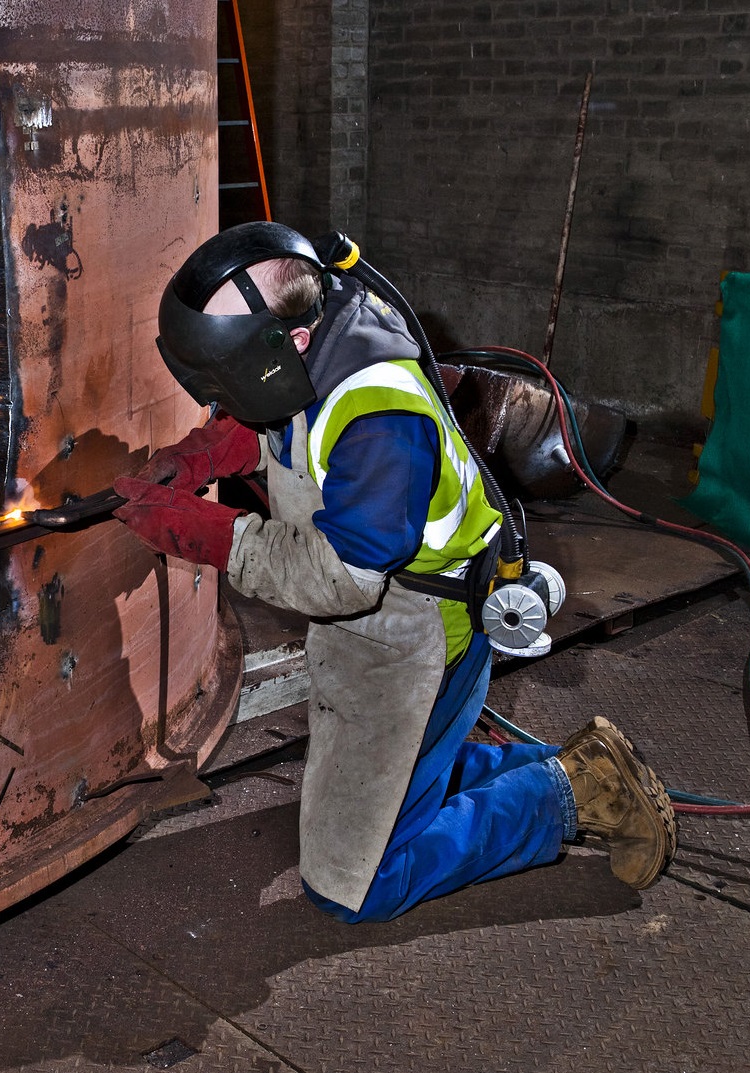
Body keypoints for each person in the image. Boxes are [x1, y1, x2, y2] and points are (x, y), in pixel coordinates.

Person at [112, 221, 677, 922]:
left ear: (286, 342)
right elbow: (283, 424)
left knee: (353, 883)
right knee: (388, 784)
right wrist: (201, 455)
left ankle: (567, 795)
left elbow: (341, 577)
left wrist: (206, 534)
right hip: (379, 617)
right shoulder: (316, 332)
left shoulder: (379, 417)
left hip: (413, 633)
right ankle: (552, 767)